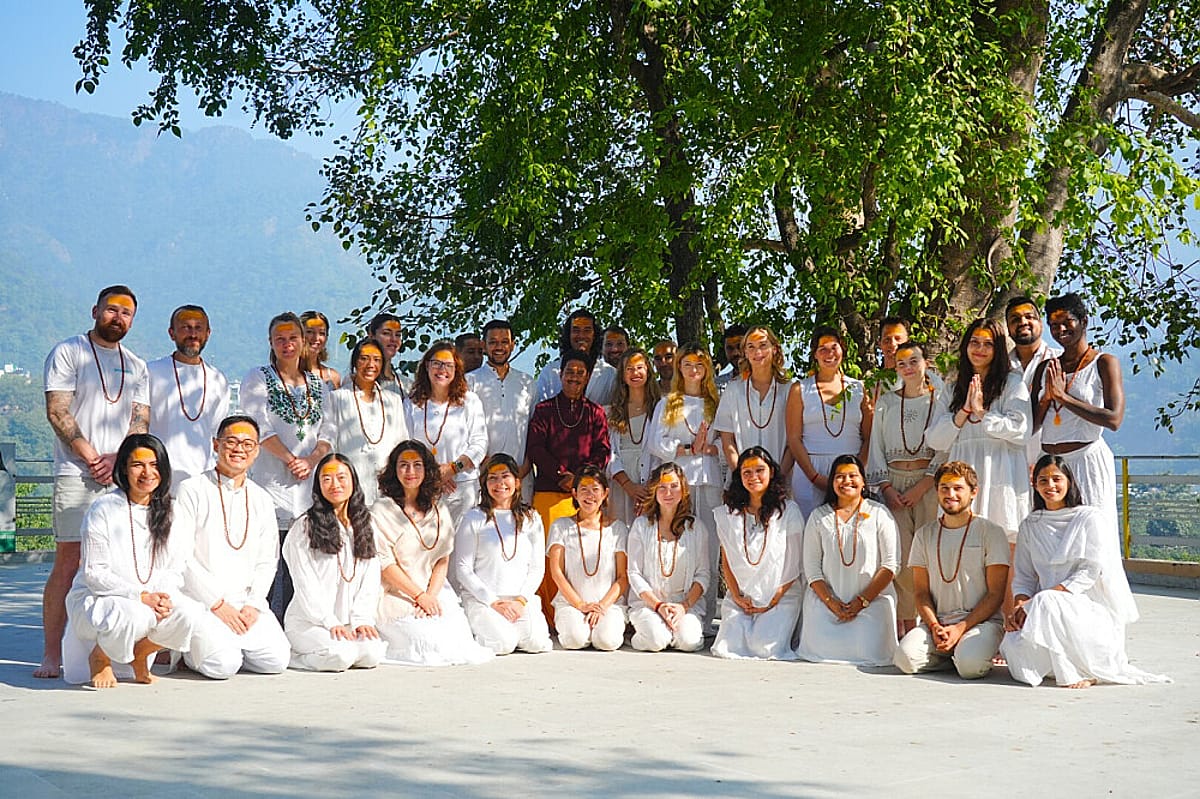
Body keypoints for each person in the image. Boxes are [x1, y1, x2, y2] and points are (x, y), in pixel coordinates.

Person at [38, 285, 151, 679]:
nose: (118, 318)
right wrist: (90, 456)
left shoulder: (136, 365)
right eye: (111, 309)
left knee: (121, 562)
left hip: (120, 476)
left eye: (126, 313)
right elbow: (57, 411)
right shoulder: (68, 352)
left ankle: (115, 648)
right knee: (69, 560)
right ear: (95, 311)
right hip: (76, 474)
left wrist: (118, 458)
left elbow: (140, 420)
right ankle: (51, 653)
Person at [1000, 456, 1169, 688]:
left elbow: (1090, 572)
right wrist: (1020, 606)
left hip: (1087, 608)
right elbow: (1024, 576)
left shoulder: (1089, 518)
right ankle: (1060, 664)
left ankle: (1080, 672)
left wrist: (1041, 601)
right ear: (1035, 485)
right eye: (1043, 480)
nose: (1050, 485)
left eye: (1056, 479)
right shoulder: (1030, 525)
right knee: (1012, 644)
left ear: (1069, 481)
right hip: (1043, 608)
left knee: (1048, 600)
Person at [63, 434, 202, 687]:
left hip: (150, 598)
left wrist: (162, 597)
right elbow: (95, 574)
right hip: (100, 599)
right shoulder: (103, 509)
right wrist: (141, 596)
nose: (147, 473)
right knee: (135, 614)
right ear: (124, 470)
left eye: (154, 464)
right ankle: (100, 657)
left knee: (190, 613)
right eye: (138, 465)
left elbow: (175, 568)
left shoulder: (174, 512)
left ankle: (140, 654)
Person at [175, 416, 290, 679]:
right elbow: (182, 557)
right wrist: (217, 604)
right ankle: (193, 652)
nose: (239, 449)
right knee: (223, 666)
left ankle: (230, 645)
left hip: (245, 602)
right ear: (216, 445)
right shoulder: (191, 489)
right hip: (203, 602)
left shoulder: (261, 498)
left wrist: (254, 604)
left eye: (248, 444)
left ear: (257, 450)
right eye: (232, 442)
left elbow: (267, 560)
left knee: (276, 660)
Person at [240, 312, 333, 619]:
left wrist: (310, 460)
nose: (287, 344)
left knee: (304, 563)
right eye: (280, 339)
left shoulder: (319, 384)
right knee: (269, 561)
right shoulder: (258, 377)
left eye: (293, 338)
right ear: (270, 342)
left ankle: (300, 625)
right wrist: (291, 460)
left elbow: (329, 432)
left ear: (303, 341)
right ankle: (264, 624)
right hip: (271, 485)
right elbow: (258, 426)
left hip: (309, 487)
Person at [371, 441, 493, 665]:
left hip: (433, 590)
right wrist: (419, 597)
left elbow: (442, 560)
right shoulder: (381, 509)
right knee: (427, 643)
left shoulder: (438, 508)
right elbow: (385, 565)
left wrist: (430, 596)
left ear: (427, 470)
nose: (410, 471)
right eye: (403, 465)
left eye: (417, 465)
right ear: (393, 470)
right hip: (396, 593)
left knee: (457, 640)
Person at [894, 461, 1009, 679]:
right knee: (905, 659)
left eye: (958, 488)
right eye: (944, 488)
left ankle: (963, 653)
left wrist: (960, 628)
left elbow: (996, 594)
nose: (951, 494)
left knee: (970, 667)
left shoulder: (991, 532)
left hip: (981, 623)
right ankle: (951, 654)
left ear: (973, 492)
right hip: (938, 623)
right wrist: (935, 626)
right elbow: (921, 593)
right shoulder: (924, 534)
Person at [927, 318, 1031, 544]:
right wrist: (964, 411)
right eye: (974, 342)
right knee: (962, 543)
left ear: (998, 349)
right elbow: (935, 439)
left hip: (1001, 473)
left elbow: (1021, 430)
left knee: (1003, 544)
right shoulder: (953, 389)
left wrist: (981, 411)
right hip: (962, 474)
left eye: (988, 344)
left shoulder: (1012, 383)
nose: (980, 349)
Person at [866, 339, 946, 634]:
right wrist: (886, 488)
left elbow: (946, 443)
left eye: (914, 361)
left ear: (926, 363)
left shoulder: (940, 400)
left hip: (929, 484)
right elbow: (876, 445)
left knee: (930, 554)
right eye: (902, 363)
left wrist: (925, 484)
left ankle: (934, 624)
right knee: (901, 557)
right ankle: (909, 627)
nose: (908, 368)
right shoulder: (887, 402)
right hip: (894, 487)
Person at [525, 349, 611, 620]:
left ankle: (581, 611)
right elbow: (535, 448)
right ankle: (548, 617)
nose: (574, 377)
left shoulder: (595, 412)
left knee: (579, 557)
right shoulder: (544, 410)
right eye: (569, 372)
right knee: (548, 556)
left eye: (580, 373)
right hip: (549, 490)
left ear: (588, 377)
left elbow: (603, 450)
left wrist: (580, 479)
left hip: (584, 496)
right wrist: (561, 474)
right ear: (560, 374)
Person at [1030, 293, 1124, 541]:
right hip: (1050, 463)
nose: (1060, 329)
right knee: (1051, 538)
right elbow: (1031, 425)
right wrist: (1047, 398)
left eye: (1066, 322)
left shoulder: (1103, 363)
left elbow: (1114, 419)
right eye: (1053, 324)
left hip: (1086, 460)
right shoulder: (1046, 368)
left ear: (1083, 321)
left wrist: (1063, 398)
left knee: (1092, 536)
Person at [282, 454, 387, 671]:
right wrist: (329, 621)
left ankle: (344, 644)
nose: (335, 485)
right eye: (327, 479)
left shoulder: (367, 524)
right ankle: (294, 657)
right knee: (340, 656)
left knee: (372, 654)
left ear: (353, 481)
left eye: (341, 477)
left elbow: (371, 578)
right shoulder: (305, 527)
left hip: (348, 622)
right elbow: (304, 583)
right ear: (318, 485)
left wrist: (362, 620)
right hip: (310, 622)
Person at [797, 455, 899, 667]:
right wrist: (831, 603)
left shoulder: (880, 513)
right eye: (840, 476)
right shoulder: (818, 517)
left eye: (853, 475)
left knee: (867, 649)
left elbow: (890, 565)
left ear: (863, 482)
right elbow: (812, 569)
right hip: (826, 605)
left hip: (872, 604)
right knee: (821, 648)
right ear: (832, 482)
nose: (846, 481)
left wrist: (862, 602)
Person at [648, 345, 723, 627]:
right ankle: (673, 610)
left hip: (710, 480)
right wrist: (689, 448)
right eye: (688, 364)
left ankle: (705, 617)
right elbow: (656, 442)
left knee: (709, 547)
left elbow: (728, 440)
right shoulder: (667, 403)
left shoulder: (717, 402)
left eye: (699, 365)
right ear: (679, 367)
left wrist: (710, 448)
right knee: (679, 545)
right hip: (678, 482)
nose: (693, 370)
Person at [453, 454, 553, 654]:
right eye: (492, 478)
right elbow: (463, 568)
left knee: (536, 643)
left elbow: (537, 567)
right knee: (504, 644)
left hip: (520, 600)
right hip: (484, 600)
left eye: (505, 476)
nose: (499, 483)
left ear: (517, 482)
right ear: (485, 484)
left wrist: (521, 600)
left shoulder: (531, 518)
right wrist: (493, 601)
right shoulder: (474, 518)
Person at [711, 447, 804, 660]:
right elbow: (726, 560)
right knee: (729, 647)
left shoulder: (788, 511)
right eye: (747, 472)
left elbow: (795, 564)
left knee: (764, 648)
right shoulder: (729, 513)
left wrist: (773, 599)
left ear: (771, 472)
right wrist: (736, 595)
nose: (753, 477)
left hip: (781, 595)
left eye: (759, 470)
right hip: (742, 596)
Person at [787, 326, 872, 518]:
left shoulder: (859, 388)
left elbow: (868, 437)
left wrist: (856, 471)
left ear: (843, 349)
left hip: (850, 471)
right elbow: (793, 438)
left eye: (834, 347)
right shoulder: (800, 389)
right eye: (822, 349)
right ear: (815, 354)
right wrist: (814, 477)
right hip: (810, 471)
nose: (829, 354)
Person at [625, 463, 710, 652]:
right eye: (662, 487)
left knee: (689, 642)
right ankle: (645, 634)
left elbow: (703, 575)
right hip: (649, 604)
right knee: (655, 641)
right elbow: (634, 573)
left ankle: (671, 632)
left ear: (684, 489)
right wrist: (659, 606)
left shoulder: (696, 527)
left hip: (685, 604)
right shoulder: (641, 526)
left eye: (674, 486)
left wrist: (683, 607)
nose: (668, 493)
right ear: (654, 491)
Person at [403, 340, 488, 524]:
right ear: (427, 365)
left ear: (456, 369)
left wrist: (452, 469)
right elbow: (406, 445)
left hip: (463, 488)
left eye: (448, 365)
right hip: (424, 486)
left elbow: (480, 444)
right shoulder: (411, 403)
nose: (442, 369)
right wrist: (434, 473)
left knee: (463, 541)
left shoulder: (469, 401)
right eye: (437, 363)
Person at [147, 304, 231, 486]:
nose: (193, 334)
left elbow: (216, 433)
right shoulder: (151, 372)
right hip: (158, 477)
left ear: (208, 333)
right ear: (172, 333)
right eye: (186, 327)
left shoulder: (218, 379)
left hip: (203, 479)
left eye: (198, 328)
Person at [547, 467, 629, 650]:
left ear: (605, 493)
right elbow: (556, 572)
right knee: (574, 639)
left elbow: (623, 577)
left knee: (607, 641)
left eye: (595, 489)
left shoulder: (618, 529)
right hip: (570, 604)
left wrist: (602, 606)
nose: (589, 495)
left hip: (608, 604)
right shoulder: (560, 526)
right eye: (583, 489)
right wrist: (580, 605)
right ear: (574, 493)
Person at [326, 339, 410, 505]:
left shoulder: (393, 400)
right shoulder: (337, 398)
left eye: (377, 360)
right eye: (364, 358)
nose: (370, 365)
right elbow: (330, 447)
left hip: (387, 490)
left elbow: (402, 444)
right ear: (355, 362)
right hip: (350, 488)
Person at [466, 319, 536, 498]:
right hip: (481, 476)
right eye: (493, 342)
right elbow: (463, 430)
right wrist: (488, 466)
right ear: (483, 345)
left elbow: (535, 430)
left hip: (520, 476)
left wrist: (525, 468)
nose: (499, 347)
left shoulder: (527, 383)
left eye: (504, 342)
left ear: (512, 345)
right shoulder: (469, 382)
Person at [713, 326, 791, 473]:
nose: (757, 352)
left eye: (763, 345)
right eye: (751, 347)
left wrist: (777, 476)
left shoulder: (789, 389)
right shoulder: (733, 389)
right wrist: (742, 475)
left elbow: (793, 441)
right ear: (745, 352)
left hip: (781, 478)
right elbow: (727, 440)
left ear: (774, 349)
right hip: (741, 478)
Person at [606, 347, 662, 525]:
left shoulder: (660, 408)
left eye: (639, 367)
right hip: (620, 483)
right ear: (622, 375)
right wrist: (628, 486)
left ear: (648, 371)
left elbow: (661, 451)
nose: (635, 373)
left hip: (651, 484)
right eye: (629, 369)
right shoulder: (612, 412)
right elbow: (609, 452)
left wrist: (648, 490)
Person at [534, 309, 613, 405]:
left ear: (594, 335)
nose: (581, 335)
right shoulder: (549, 372)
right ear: (568, 335)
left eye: (587, 331)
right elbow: (540, 408)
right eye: (576, 330)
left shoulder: (609, 374)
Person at [300, 310, 343, 390]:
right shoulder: (287, 373)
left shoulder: (333, 376)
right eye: (310, 332)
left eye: (322, 333)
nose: (316, 338)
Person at [367, 312, 408, 395]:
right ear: (372, 336)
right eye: (386, 333)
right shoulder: (356, 381)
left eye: (398, 335)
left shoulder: (407, 386)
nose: (393, 339)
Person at [714, 325, 746, 390]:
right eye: (730, 348)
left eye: (739, 346)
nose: (735, 353)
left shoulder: (766, 380)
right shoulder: (717, 385)